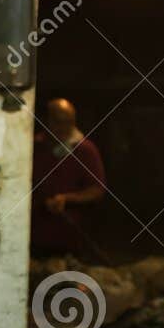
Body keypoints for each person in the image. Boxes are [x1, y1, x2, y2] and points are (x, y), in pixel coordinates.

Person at [31, 97, 107, 260]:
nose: (64, 128)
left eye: (69, 122)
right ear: (47, 121)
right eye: (58, 122)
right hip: (34, 237)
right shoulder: (34, 147)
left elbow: (97, 190)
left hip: (69, 240)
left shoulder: (85, 150)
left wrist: (66, 199)